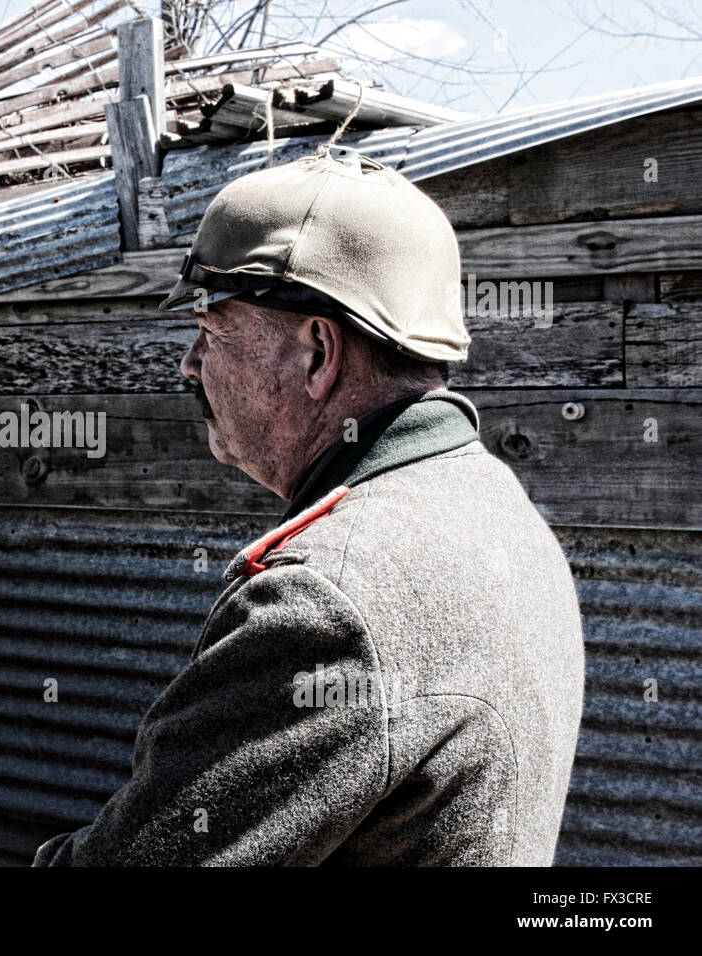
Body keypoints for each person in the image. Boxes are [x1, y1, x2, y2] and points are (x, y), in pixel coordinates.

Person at [34, 148, 585, 866]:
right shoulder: (494, 507)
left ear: (318, 352)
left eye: (211, 332)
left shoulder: (324, 603)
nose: (189, 365)